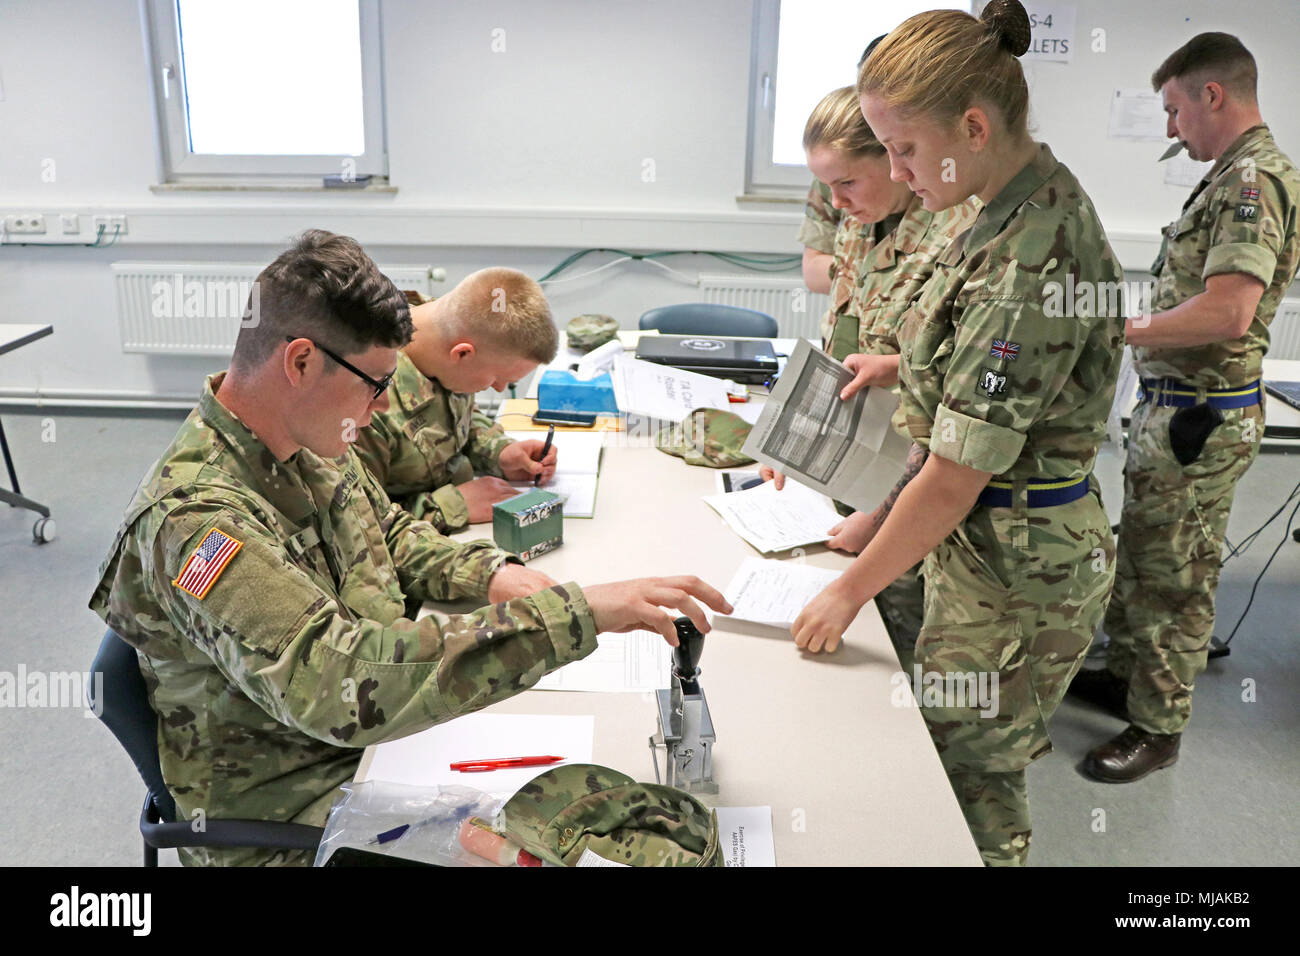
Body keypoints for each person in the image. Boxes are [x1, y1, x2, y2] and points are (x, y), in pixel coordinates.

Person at [88, 230, 730, 866]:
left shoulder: (302, 439)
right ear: (301, 362)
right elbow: (339, 683)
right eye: (372, 384)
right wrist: (574, 616)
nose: (376, 411)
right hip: (291, 814)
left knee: (600, 806)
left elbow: (386, 531)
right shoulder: (199, 519)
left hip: (370, 754)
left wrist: (493, 576)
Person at [791, 0, 1124, 865]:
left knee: (974, 783)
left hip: (1022, 563)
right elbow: (947, 416)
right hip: (981, 544)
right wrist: (873, 524)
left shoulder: (1032, 250)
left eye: (901, 148)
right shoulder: (990, 212)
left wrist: (849, 589)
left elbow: (956, 472)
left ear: (972, 126)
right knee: (945, 758)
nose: (896, 170)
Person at [1071, 33, 1300, 782]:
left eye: (1174, 110)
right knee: (1143, 555)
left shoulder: (1250, 182)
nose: (1171, 129)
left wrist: (1121, 328)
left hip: (1203, 417)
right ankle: (1128, 678)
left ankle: (1158, 726)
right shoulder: (1229, 174)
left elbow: (1230, 312)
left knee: (1177, 577)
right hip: (1173, 410)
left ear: (1213, 95)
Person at [772, 84, 978, 671]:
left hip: (918, 496)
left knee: (905, 654)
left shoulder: (957, 232)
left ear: (891, 162)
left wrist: (881, 516)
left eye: (847, 183)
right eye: (826, 187)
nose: (835, 202)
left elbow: (946, 413)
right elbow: (846, 346)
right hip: (858, 472)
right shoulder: (860, 224)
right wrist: (791, 435)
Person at [351, 268, 559, 533]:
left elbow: (457, 417)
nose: (499, 388)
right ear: (462, 354)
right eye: (497, 378)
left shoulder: (448, 328)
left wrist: (499, 452)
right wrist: (451, 505)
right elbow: (358, 525)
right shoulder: (365, 394)